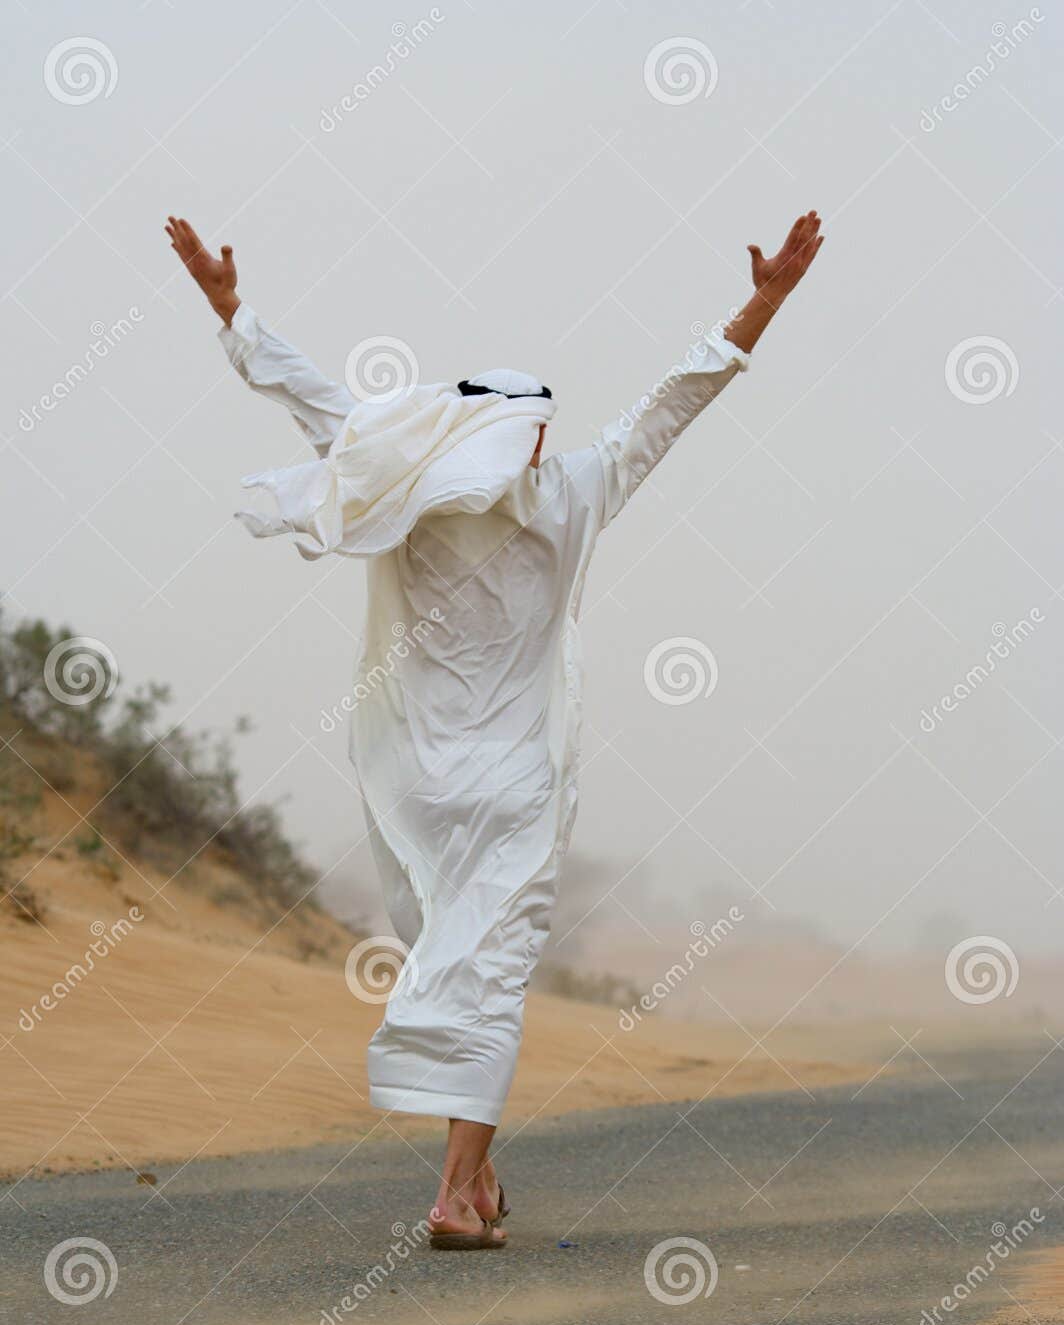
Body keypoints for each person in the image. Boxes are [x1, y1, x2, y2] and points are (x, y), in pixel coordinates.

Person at [165, 210, 824, 1251]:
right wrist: (764, 302)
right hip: (509, 783)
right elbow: (670, 406)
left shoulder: (404, 482)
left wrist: (231, 311)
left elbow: (316, 406)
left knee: (454, 967)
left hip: (413, 784)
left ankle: (471, 1183)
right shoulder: (571, 490)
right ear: (532, 433)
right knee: (491, 976)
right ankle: (450, 1195)